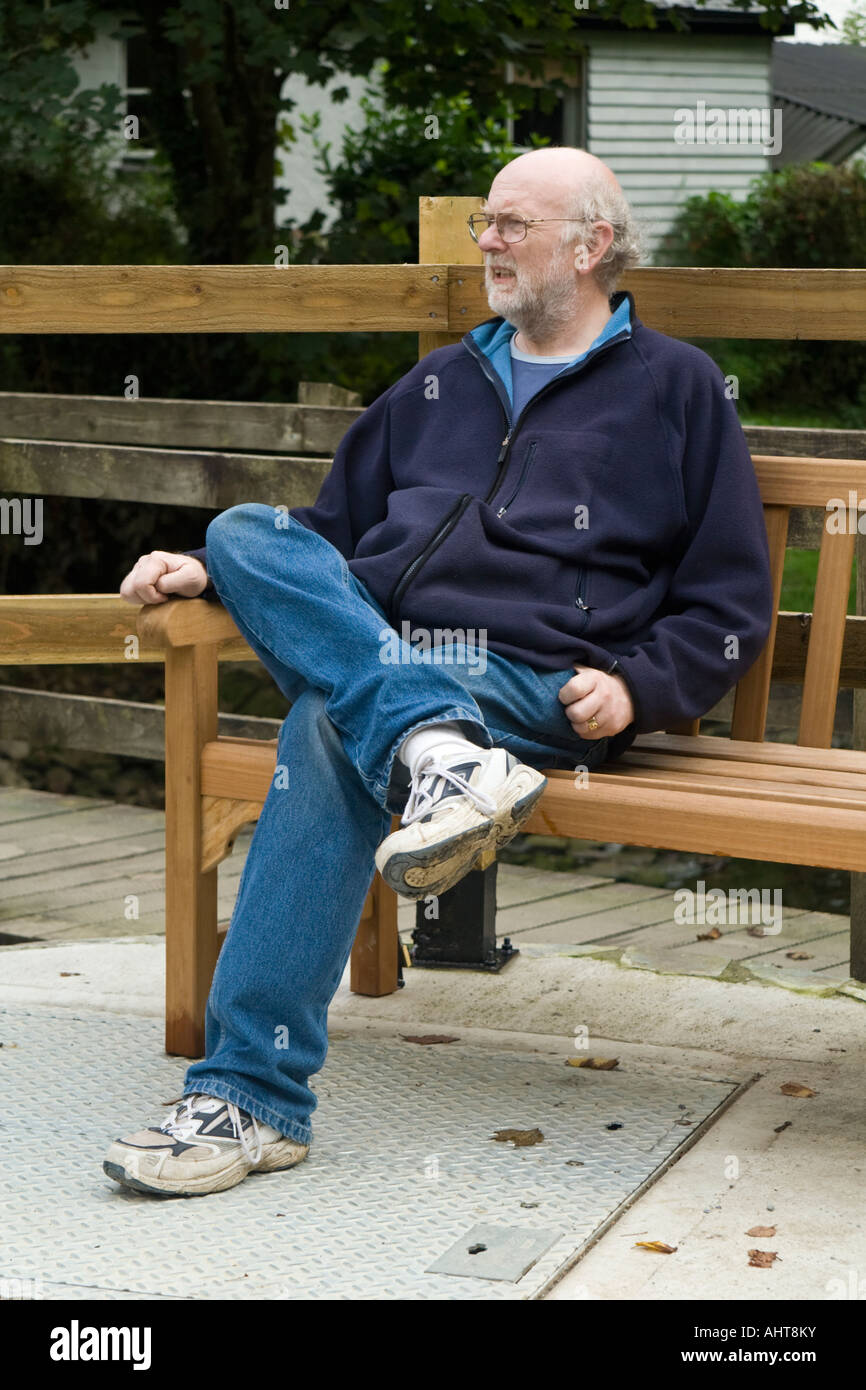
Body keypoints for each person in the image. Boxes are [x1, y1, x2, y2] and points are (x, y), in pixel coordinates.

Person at [106, 146, 773, 1197]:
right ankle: (436, 754)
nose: (488, 244)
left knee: (327, 726)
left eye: (513, 223)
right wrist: (215, 574)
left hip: (535, 676)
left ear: (590, 245)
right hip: (398, 662)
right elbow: (323, 541)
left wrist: (642, 686)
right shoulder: (436, 382)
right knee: (243, 527)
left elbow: (731, 605)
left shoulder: (675, 388)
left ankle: (249, 1095)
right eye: (484, 224)